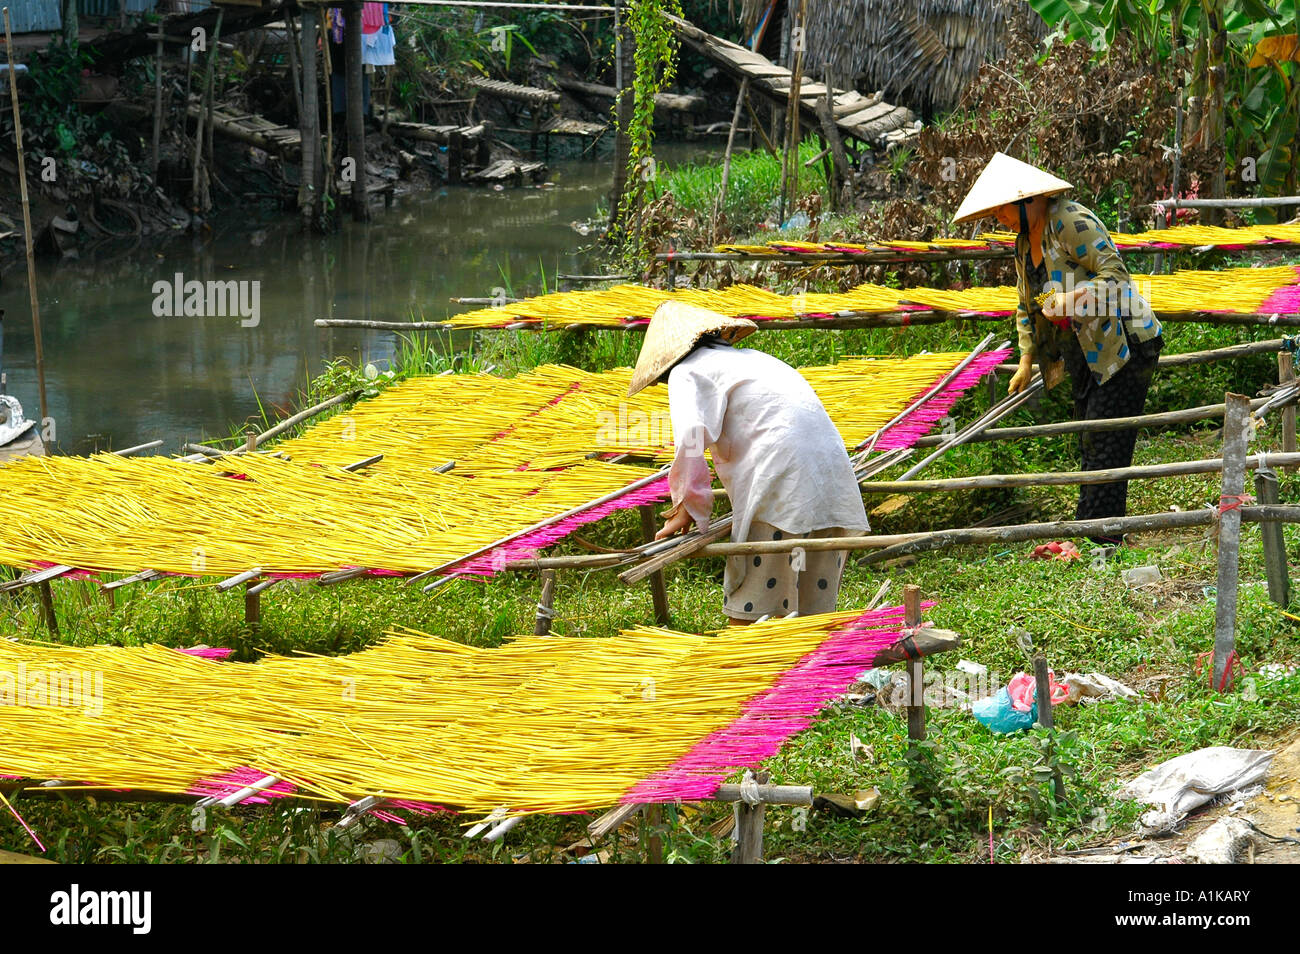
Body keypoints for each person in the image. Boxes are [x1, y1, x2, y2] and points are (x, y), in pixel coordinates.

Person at [952, 152, 1164, 535]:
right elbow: (1025, 303)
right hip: (1083, 348)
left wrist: (1071, 299)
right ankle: (1091, 529)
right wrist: (1026, 359)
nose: (998, 218)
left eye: (1002, 210)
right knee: (1089, 436)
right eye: (994, 213)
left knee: (1106, 438)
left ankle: (1101, 537)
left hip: (1123, 342)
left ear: (1027, 200)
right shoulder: (1022, 244)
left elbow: (1117, 278)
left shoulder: (1069, 220)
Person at [627, 302, 869, 625]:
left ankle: (743, 672)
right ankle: (806, 674)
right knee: (812, 620)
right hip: (833, 483)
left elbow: (691, 438)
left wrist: (688, 504)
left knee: (751, 615)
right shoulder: (754, 361)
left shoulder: (686, 371)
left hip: (781, 482)